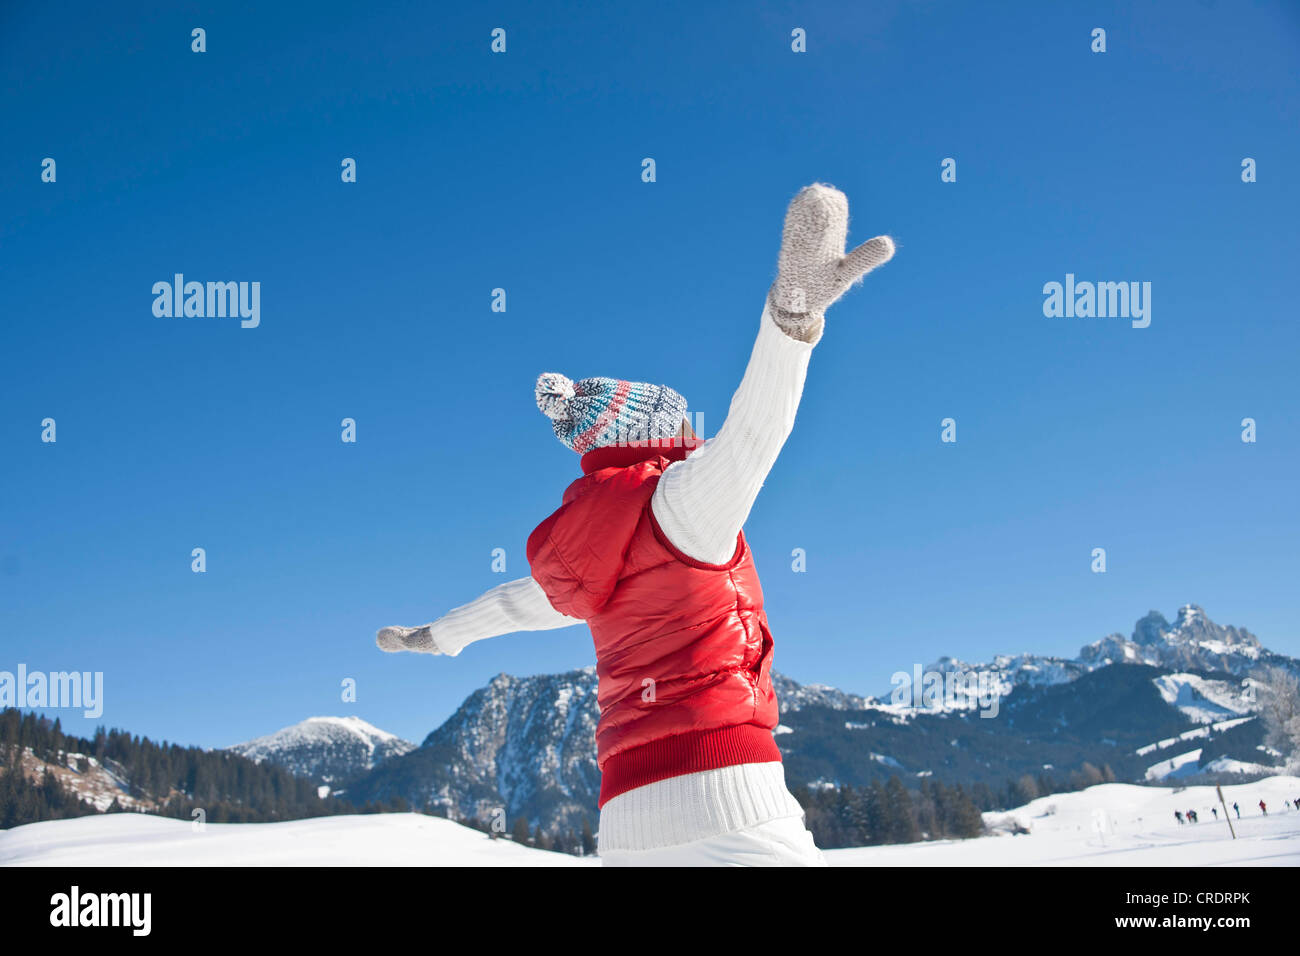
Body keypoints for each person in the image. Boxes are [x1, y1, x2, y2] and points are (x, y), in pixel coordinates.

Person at [375, 184, 896, 866]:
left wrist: (433, 637)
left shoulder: (584, 558)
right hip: (727, 783)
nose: (695, 431)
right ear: (662, 435)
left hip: (625, 814)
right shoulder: (685, 502)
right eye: (683, 421)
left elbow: (512, 605)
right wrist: (789, 321)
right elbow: (756, 433)